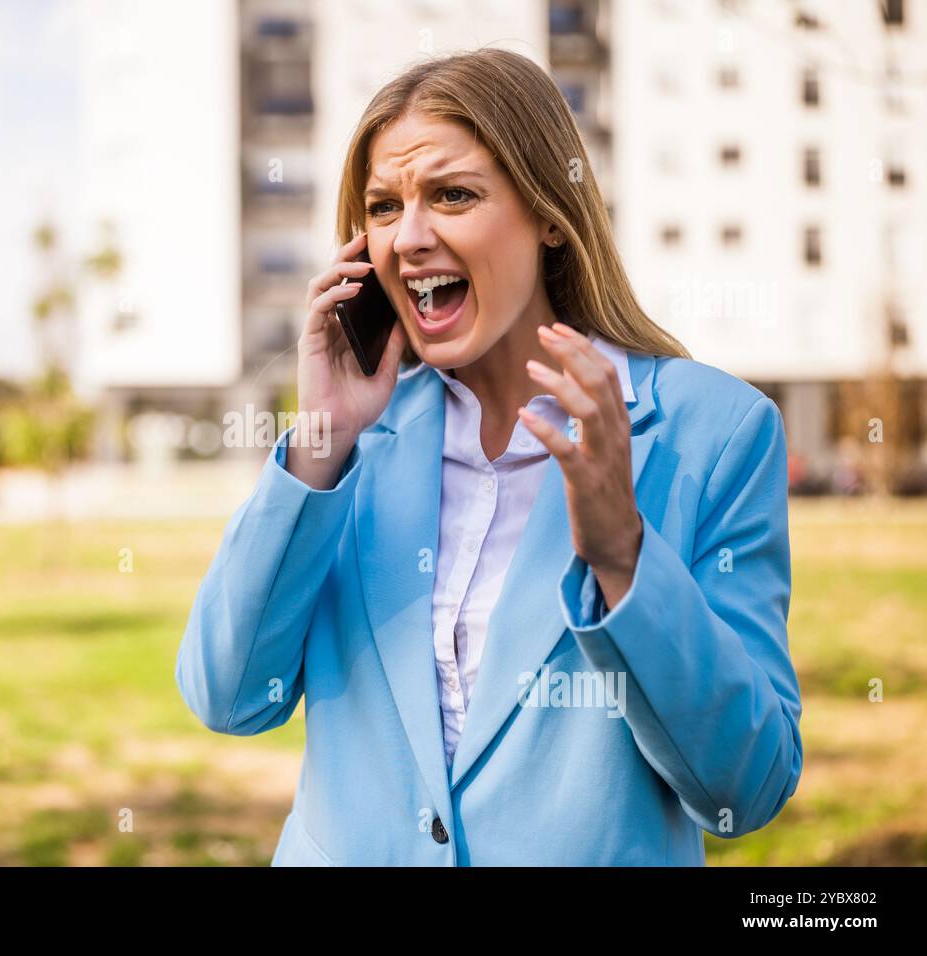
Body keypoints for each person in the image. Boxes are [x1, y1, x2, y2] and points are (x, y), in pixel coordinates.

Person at [175, 48, 802, 865]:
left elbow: (744, 789)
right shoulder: (355, 440)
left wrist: (624, 559)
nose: (409, 237)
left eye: (453, 196)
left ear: (549, 214)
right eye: (384, 206)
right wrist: (321, 444)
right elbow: (229, 697)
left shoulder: (715, 435)